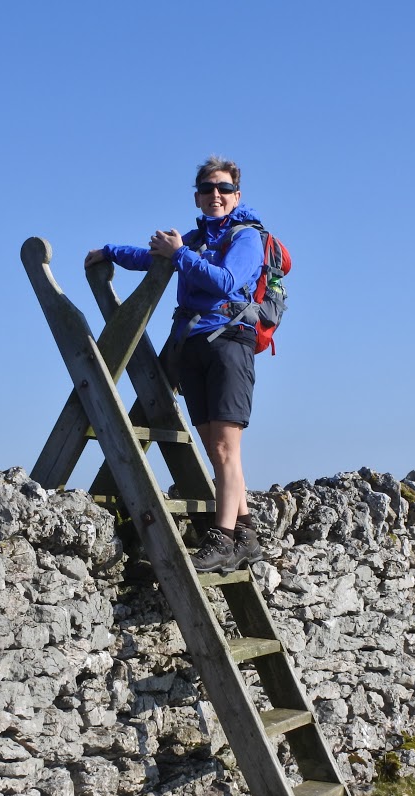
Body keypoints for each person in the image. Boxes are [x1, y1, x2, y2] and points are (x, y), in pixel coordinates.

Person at [86, 156, 266, 574]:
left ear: (236, 195)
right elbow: (153, 258)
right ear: (198, 196)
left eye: (223, 188)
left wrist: (181, 254)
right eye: (207, 188)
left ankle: (223, 539)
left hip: (229, 342)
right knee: (215, 446)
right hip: (193, 344)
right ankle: (246, 533)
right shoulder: (196, 238)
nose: (215, 195)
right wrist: (108, 252)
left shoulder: (247, 238)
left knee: (224, 447)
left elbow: (225, 281)